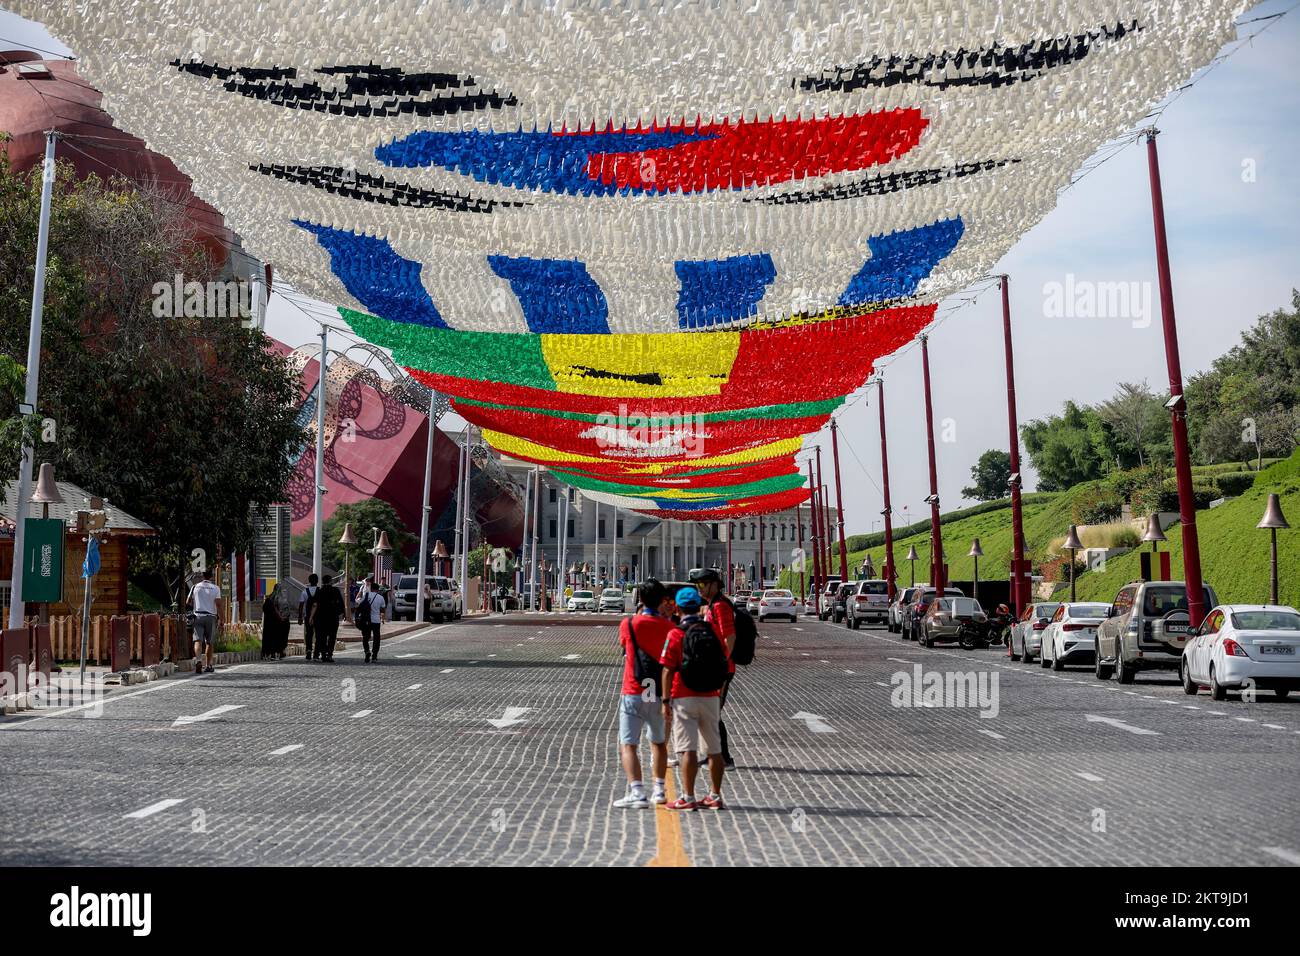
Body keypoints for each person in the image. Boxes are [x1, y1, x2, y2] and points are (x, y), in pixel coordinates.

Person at [659, 586, 733, 811]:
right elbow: (723, 660)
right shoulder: (712, 630)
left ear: (678, 607)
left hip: (684, 695)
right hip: (710, 695)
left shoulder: (675, 633)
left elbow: (667, 670)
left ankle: (688, 796)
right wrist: (717, 690)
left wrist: (665, 701)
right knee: (714, 749)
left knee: (687, 749)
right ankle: (715, 795)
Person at [613, 579, 674, 809]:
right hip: (657, 692)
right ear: (661, 601)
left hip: (633, 690)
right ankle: (659, 789)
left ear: (639, 599)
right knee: (658, 743)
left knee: (628, 744)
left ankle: (637, 791)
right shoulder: (670, 628)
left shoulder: (629, 624)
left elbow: (624, 649)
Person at [691, 567, 738, 769]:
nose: (699, 588)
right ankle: (714, 755)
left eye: (702, 584)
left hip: (722, 669)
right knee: (710, 713)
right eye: (697, 585)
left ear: (713, 585)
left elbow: (730, 637)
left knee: (713, 713)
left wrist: (721, 662)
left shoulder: (720, 606)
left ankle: (724, 758)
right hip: (714, 667)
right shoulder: (712, 605)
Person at [187, 569, 223, 674]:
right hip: (211, 617)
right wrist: (222, 619)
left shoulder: (195, 587)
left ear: (202, 576)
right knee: (209, 642)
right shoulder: (216, 588)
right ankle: (208, 665)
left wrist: (196, 603)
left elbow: (188, 601)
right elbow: (219, 604)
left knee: (198, 640)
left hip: (198, 616)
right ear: (211, 576)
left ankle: (198, 660)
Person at [313, 574, 345, 662]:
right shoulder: (335, 590)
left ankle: (323, 654)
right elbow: (341, 604)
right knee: (332, 636)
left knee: (322, 636)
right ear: (330, 581)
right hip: (333, 617)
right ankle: (329, 655)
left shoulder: (319, 591)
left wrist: (312, 617)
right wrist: (340, 613)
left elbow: (315, 604)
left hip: (321, 617)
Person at [357, 575, 387, 662]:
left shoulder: (366, 595)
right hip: (376, 620)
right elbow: (382, 610)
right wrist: (382, 617)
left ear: (371, 588)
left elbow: (360, 605)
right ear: (377, 589)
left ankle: (367, 651)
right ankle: (374, 656)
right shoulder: (380, 598)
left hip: (366, 620)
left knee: (365, 637)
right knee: (376, 639)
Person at [261, 583, 291, 659]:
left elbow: (264, 609)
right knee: (279, 637)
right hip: (279, 622)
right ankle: (280, 651)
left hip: (269, 623)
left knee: (270, 637)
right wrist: (282, 617)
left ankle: (271, 653)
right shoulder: (281, 599)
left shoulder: (269, 598)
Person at [298, 573, 320, 660]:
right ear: (317, 581)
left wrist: (300, 617)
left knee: (309, 635)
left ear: (309, 581)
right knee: (318, 635)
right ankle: (316, 653)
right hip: (318, 617)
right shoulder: (320, 591)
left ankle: (308, 651)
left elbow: (301, 605)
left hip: (307, 616)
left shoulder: (304, 591)